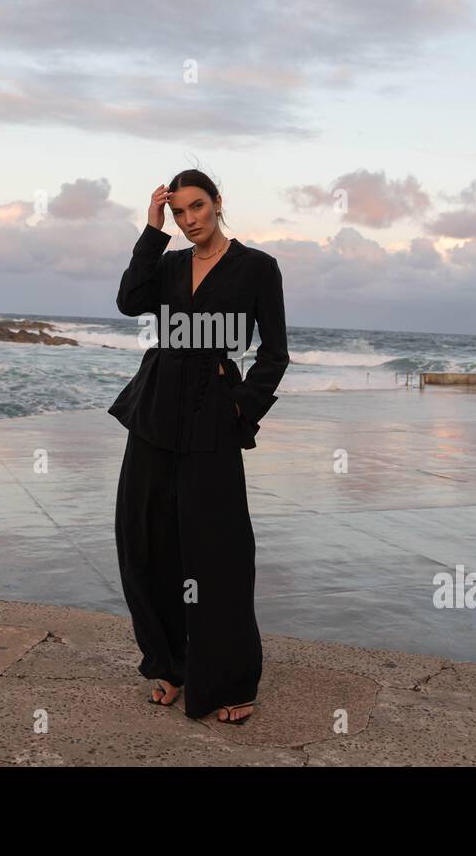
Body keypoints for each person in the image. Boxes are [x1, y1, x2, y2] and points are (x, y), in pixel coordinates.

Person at [107, 168, 289, 723]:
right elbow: (128, 300)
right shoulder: (167, 263)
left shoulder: (257, 267)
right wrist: (151, 228)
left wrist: (241, 405)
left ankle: (230, 680)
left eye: (197, 208)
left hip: (213, 413)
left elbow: (274, 352)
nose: (189, 221)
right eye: (179, 211)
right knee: (145, 538)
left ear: (218, 204)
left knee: (219, 548)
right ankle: (167, 665)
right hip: (156, 408)